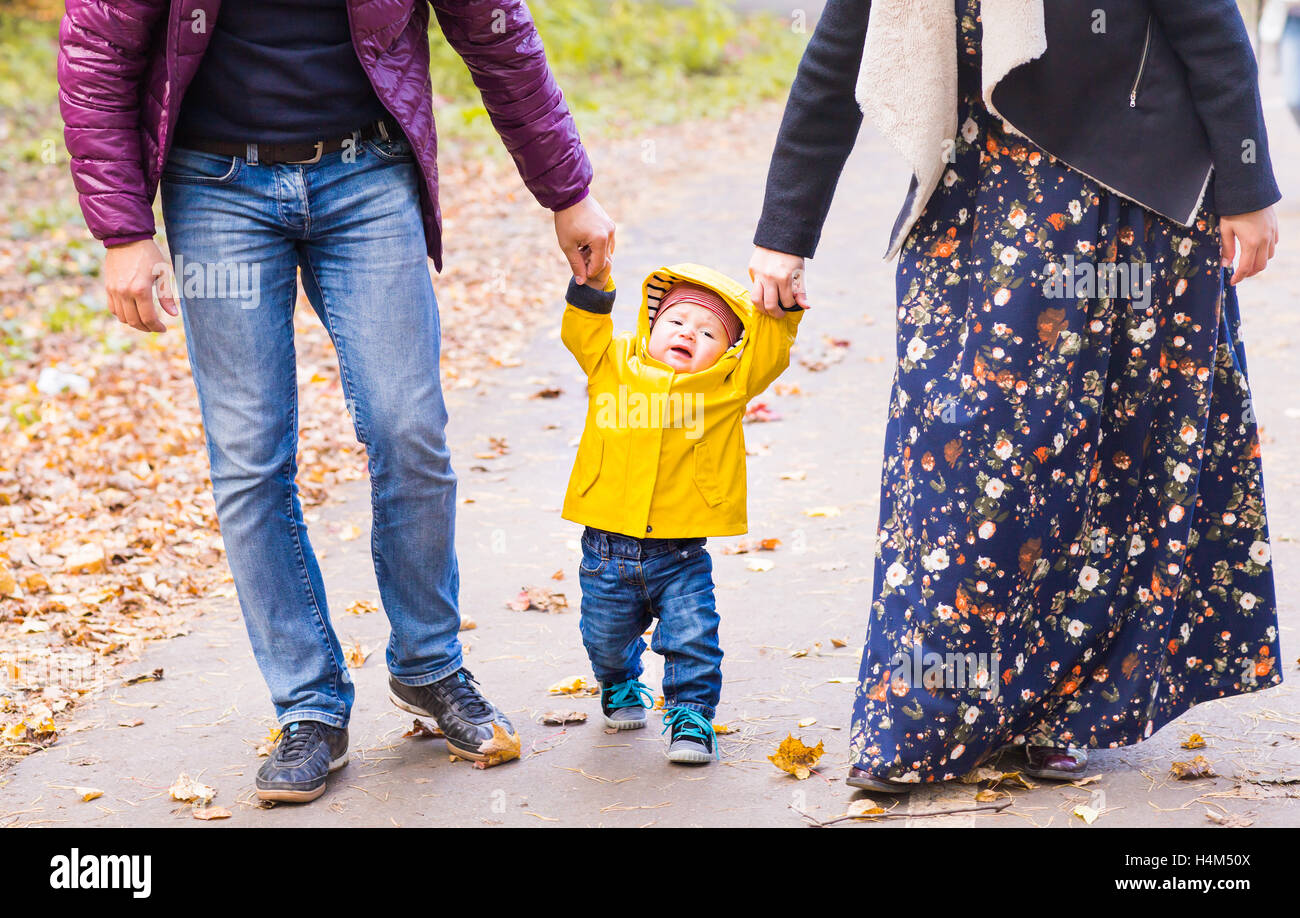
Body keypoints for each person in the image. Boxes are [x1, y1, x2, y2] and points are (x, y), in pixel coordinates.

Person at [57, 0, 616, 804]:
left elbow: (496, 30)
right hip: (214, 187)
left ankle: (429, 667)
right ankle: (308, 705)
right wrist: (121, 230)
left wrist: (568, 190)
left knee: (407, 427)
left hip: (366, 173)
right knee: (249, 457)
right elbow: (96, 53)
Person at [750, 0, 1283, 792]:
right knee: (956, 457)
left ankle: (1060, 713)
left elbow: (1209, 27)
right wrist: (784, 232)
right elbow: (837, 54)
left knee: (1106, 470)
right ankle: (922, 717)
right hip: (967, 195)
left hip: (1122, 198)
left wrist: (1246, 186)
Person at [559, 262, 803, 763]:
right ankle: (621, 681)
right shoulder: (611, 363)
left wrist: (781, 307)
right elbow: (581, 330)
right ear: (652, 326)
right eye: (676, 322)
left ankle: (691, 714)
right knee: (604, 638)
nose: (689, 332)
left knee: (693, 638)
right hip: (605, 548)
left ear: (729, 350)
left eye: (708, 331)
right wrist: (594, 281)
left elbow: (771, 352)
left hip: (681, 552)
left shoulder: (726, 387)